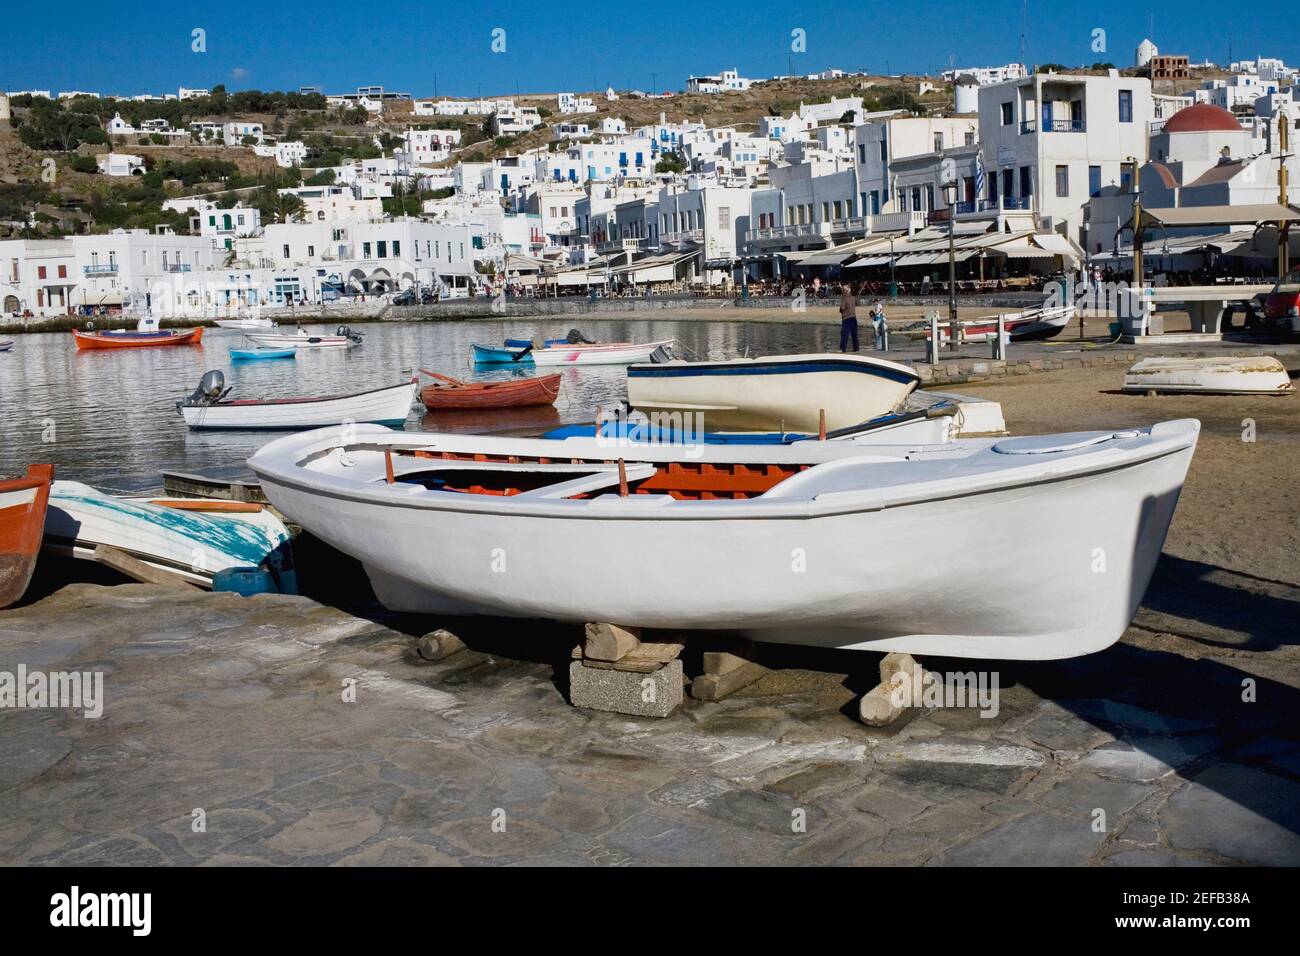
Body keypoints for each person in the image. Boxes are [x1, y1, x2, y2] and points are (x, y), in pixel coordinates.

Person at [838, 284, 859, 352]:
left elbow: (842, 308)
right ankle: (856, 348)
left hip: (846, 318)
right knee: (854, 335)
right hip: (853, 317)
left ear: (846, 291)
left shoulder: (844, 298)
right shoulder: (853, 297)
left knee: (844, 334)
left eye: (843, 290)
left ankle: (843, 349)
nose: (842, 291)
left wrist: (841, 310)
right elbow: (857, 303)